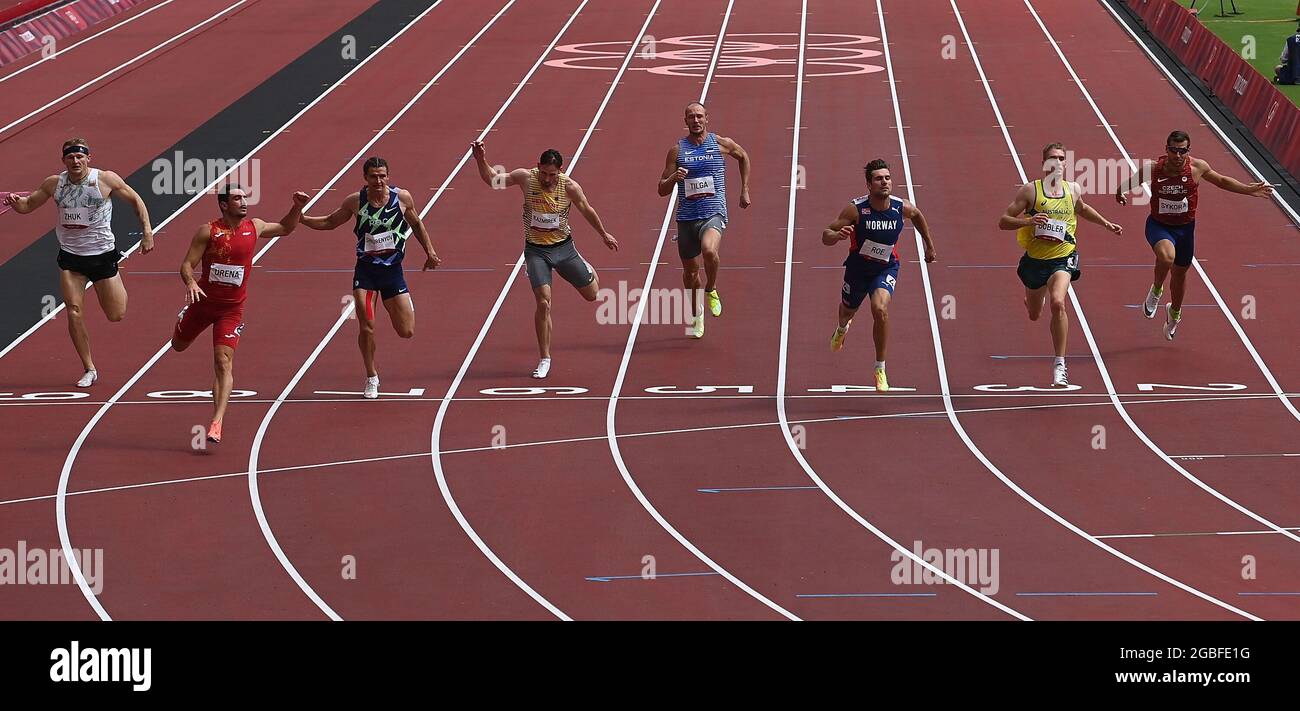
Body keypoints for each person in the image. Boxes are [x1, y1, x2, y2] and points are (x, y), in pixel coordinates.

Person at [2, 138, 154, 386]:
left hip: (102, 256)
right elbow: (28, 204)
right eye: (70, 157)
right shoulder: (55, 184)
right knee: (73, 311)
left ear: (88, 158)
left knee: (116, 314)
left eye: (80, 157)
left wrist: (147, 232)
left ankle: (115, 278)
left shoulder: (104, 180)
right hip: (71, 259)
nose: (76, 161)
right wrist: (17, 204)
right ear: (64, 160)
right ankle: (89, 368)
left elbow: (136, 200)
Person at [470, 141, 618, 379]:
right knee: (544, 302)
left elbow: (586, 209)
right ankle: (545, 358)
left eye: (552, 174)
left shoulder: (569, 186)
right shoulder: (525, 178)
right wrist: (480, 159)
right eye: (544, 173)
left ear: (560, 171)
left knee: (592, 295)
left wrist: (603, 235)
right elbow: (493, 180)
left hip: (564, 249)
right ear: (537, 167)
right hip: (536, 251)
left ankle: (584, 265)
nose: (547, 179)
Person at [172, 187, 308, 443]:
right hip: (202, 304)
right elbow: (186, 264)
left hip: (232, 310)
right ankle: (183, 318)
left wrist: (297, 207)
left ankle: (217, 421)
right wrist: (190, 282)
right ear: (224, 205)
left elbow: (285, 228)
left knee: (222, 361)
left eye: (244, 198)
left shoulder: (254, 227)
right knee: (177, 346)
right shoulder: (208, 231)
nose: (244, 202)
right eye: (237, 198)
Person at [300, 157, 440, 398]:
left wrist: (430, 252)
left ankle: (401, 303)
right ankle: (371, 376)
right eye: (373, 176)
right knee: (367, 327)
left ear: (388, 176)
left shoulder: (402, 198)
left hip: (393, 272)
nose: (378, 180)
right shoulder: (356, 202)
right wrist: (301, 218)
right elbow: (330, 222)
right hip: (365, 273)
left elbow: (416, 224)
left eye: (382, 175)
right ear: (365, 178)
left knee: (406, 331)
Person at [1115, 130, 1272, 340]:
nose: (1178, 156)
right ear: (1167, 149)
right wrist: (1121, 191)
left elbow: (1222, 181)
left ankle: (1174, 314)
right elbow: (1131, 181)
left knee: (1179, 275)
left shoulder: (1197, 168)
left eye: (1182, 151)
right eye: (1174, 151)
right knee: (1166, 257)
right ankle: (1156, 290)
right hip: (1159, 226)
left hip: (1185, 230)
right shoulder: (1154, 168)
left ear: (1188, 151)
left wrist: (1248, 189)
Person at [1001, 143, 1123, 386]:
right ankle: (1035, 298)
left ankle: (1059, 364)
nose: (1057, 162)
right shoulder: (1030, 191)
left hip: (1063, 257)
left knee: (1058, 302)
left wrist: (1106, 224)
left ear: (1066, 163)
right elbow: (1003, 221)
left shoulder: (1073, 189)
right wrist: (1029, 221)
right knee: (1035, 314)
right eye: (1052, 159)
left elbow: (1082, 208)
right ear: (1044, 164)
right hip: (1035, 261)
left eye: (1061, 158)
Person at [821, 159, 936, 393]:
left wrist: (929, 246)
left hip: (886, 267)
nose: (884, 182)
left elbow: (917, 216)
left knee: (880, 309)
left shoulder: (900, 207)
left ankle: (880, 368)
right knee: (847, 311)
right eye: (878, 179)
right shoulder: (856, 209)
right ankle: (842, 329)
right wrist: (837, 236)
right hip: (857, 269)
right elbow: (826, 234)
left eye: (887, 178)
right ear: (869, 185)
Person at [657, 101, 751, 339]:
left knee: (709, 251)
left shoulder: (720, 143)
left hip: (713, 211)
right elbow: (661, 189)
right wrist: (673, 178)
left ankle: (711, 289)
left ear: (707, 118)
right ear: (685, 121)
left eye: (699, 116)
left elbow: (743, 157)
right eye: (691, 117)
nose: (696, 120)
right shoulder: (677, 150)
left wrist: (744, 189)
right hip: (687, 217)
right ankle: (697, 314)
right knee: (690, 274)